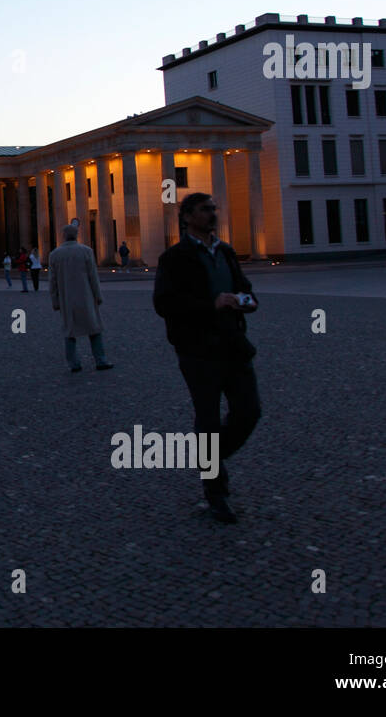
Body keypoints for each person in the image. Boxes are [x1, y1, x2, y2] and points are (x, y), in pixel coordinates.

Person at [153, 193, 262, 525]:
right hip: (198, 350)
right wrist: (211, 305)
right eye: (205, 210)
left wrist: (246, 301)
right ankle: (216, 492)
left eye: (214, 208)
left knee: (249, 411)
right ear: (187, 217)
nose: (212, 214)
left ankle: (211, 458)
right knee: (209, 421)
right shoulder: (174, 257)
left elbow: (247, 289)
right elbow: (164, 303)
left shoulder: (226, 252)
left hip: (233, 343)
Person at [49, 223, 112, 372]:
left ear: (63, 236)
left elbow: (53, 282)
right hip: (86, 296)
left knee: (69, 332)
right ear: (76, 235)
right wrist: (98, 296)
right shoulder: (86, 251)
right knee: (94, 329)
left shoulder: (55, 254)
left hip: (66, 299)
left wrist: (55, 301)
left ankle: (74, 364)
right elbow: (93, 277)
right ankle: (100, 360)